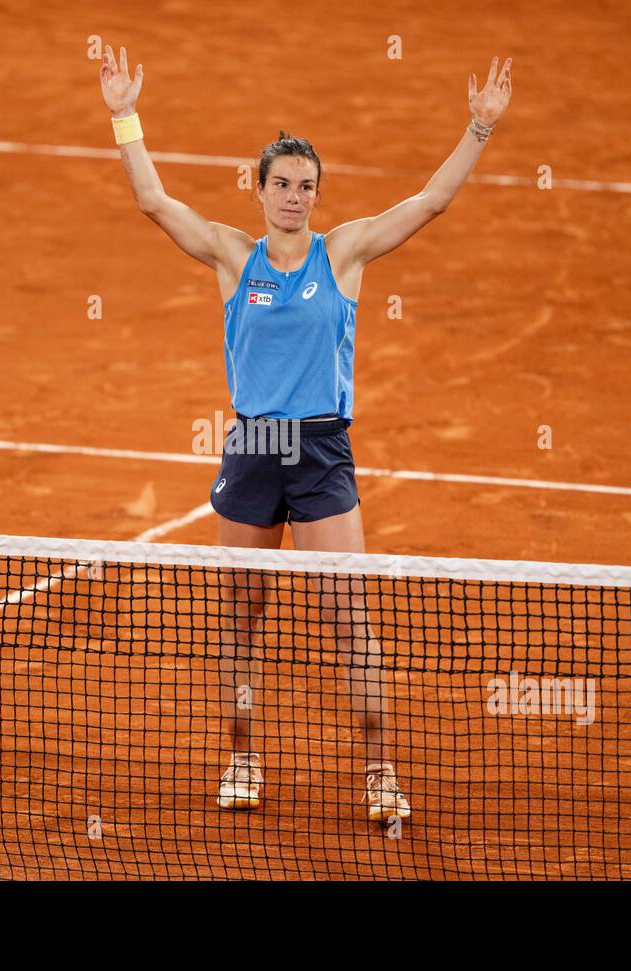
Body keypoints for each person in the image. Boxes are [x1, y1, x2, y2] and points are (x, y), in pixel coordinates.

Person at [100, 44, 513, 824]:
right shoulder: (231, 254)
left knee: (350, 618)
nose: (295, 196)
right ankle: (242, 758)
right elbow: (155, 202)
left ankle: (380, 770)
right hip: (254, 450)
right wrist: (125, 115)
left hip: (322, 453)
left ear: (319, 196)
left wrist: (478, 129)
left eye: (306, 186)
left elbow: (429, 203)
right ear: (259, 191)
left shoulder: (345, 251)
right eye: (282, 184)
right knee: (242, 616)